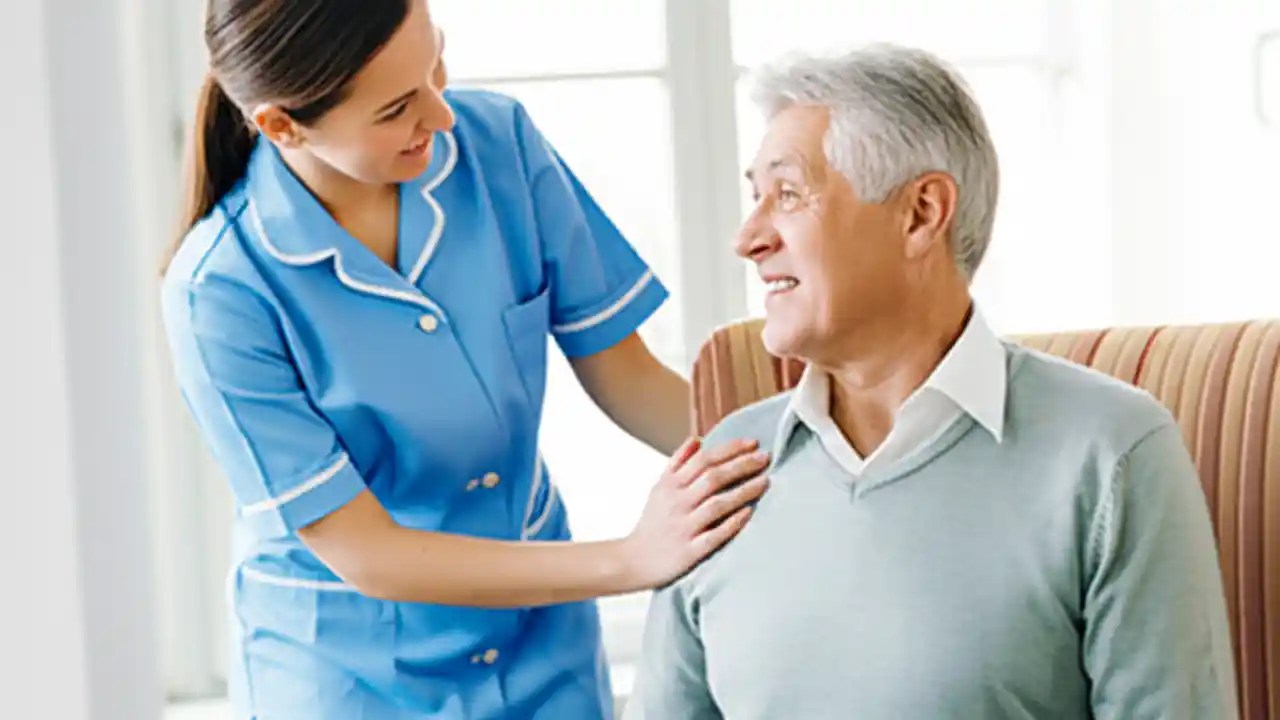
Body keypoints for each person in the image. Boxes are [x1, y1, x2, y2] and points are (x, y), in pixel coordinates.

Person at [160, 1, 770, 717]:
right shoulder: (220, 292)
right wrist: (633, 558)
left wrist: (797, 456)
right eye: (396, 108)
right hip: (349, 671)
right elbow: (368, 553)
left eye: (436, 62)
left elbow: (627, 379)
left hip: (543, 642)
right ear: (281, 125)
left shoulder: (499, 144)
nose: (441, 113)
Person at [625, 45, 1238, 719]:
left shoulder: (1111, 453)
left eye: (790, 194)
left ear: (920, 213)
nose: (749, 237)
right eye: (755, 198)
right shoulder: (722, 469)